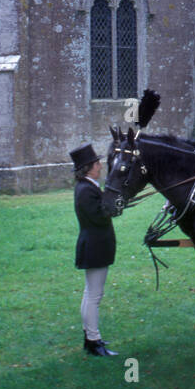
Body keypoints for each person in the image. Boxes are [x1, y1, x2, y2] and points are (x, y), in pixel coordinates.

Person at [72, 143, 122, 357]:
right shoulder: (86, 190)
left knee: (90, 293)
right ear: (88, 167)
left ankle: (89, 336)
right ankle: (93, 340)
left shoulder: (88, 186)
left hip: (94, 246)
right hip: (95, 246)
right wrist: (114, 208)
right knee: (94, 295)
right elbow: (100, 217)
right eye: (97, 163)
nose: (101, 166)